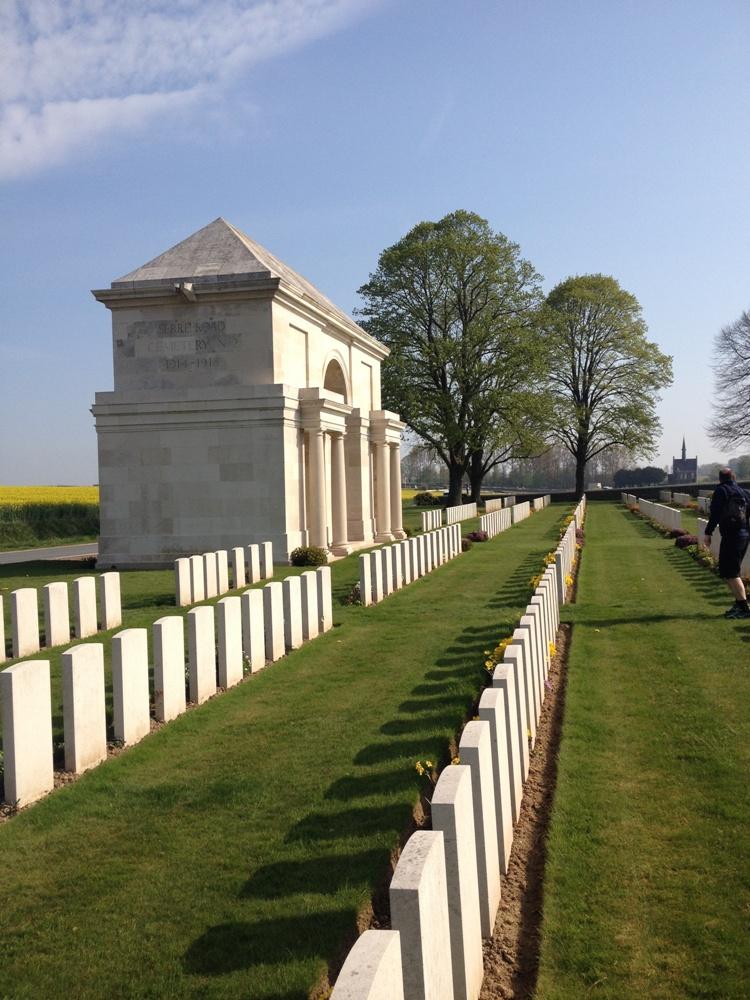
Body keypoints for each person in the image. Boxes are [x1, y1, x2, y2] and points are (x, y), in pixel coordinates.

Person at [704, 467, 750, 619]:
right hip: (743, 535)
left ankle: (744, 608)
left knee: (731, 572)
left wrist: (708, 532)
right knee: (726, 570)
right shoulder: (744, 492)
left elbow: (715, 513)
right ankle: (739, 604)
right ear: (734, 477)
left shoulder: (721, 491)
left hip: (732, 536)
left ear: (720, 479)